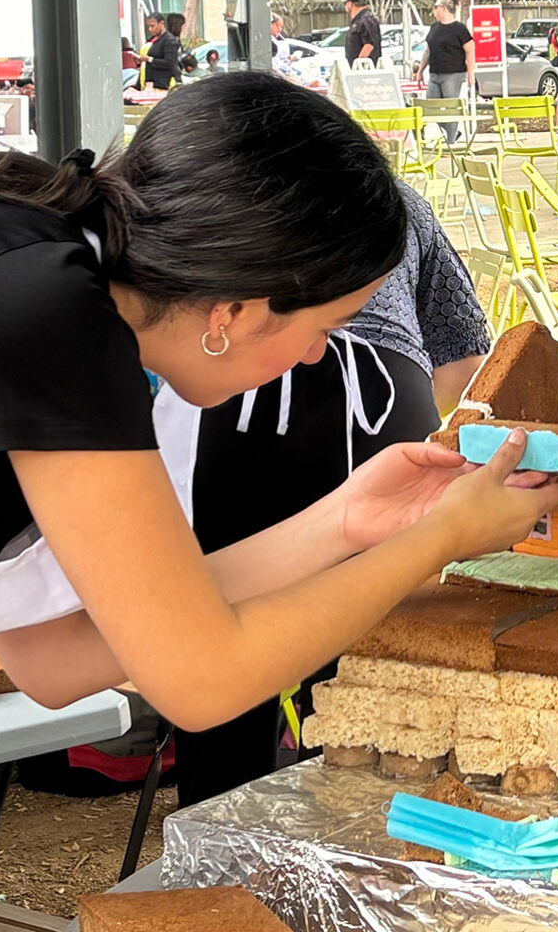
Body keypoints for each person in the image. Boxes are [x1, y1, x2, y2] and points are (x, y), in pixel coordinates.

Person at [0, 74, 558, 932]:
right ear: (237, 310)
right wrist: (439, 538)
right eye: (327, 326)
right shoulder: (52, 323)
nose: (323, 358)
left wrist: (350, 523)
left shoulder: (36, 270)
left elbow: (56, 655)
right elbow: (200, 681)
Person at [158, 181, 492, 803]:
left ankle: (214, 844)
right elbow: (465, 370)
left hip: (238, 393)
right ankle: (365, 821)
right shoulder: (392, 199)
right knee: (374, 663)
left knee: (219, 641)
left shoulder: (216, 190)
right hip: (383, 404)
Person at [413, 0, 475, 141]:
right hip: (435, 72)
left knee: (450, 106)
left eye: (436, 7)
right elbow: (428, 50)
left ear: (443, 8)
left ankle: (451, 140)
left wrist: (471, 73)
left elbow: (470, 49)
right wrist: (421, 69)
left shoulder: (459, 28)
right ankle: (452, 131)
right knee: (430, 108)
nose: (434, 11)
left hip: (453, 73)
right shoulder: (435, 27)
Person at [136, 13, 182, 91]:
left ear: (161, 23)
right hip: (152, 84)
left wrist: (149, 59)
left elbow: (170, 62)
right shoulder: (152, 39)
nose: (150, 29)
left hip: (165, 84)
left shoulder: (170, 40)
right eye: (148, 27)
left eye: (153, 26)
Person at [341, 0, 381, 68]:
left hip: (365, 71)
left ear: (350, 4)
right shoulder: (360, 20)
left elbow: (369, 45)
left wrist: (358, 66)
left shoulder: (366, 20)